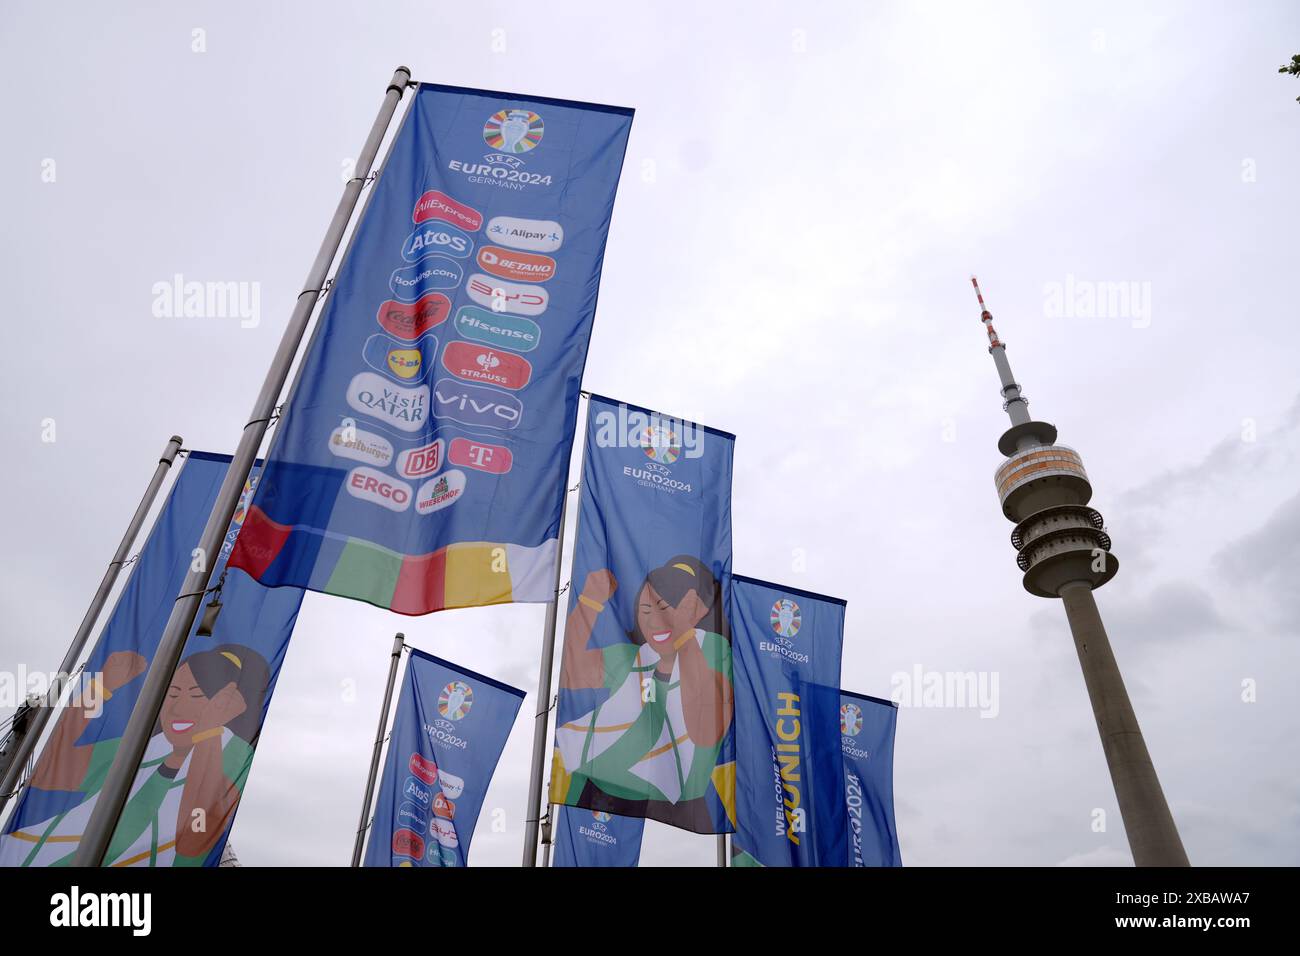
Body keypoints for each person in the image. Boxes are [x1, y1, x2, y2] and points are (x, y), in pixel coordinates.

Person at [0, 644, 269, 867]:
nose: (177, 707)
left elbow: (193, 842)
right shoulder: (136, 755)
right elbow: (55, 772)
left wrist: (209, 732)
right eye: (172, 693)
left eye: (197, 695)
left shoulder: (226, 765)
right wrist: (101, 688)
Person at [552, 555, 732, 831]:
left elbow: (706, 729)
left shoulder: (712, 650)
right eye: (645, 610)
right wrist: (589, 602)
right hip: (593, 790)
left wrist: (684, 636)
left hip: (671, 807)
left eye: (664, 608)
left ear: (695, 611)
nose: (654, 622)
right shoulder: (632, 658)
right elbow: (571, 673)